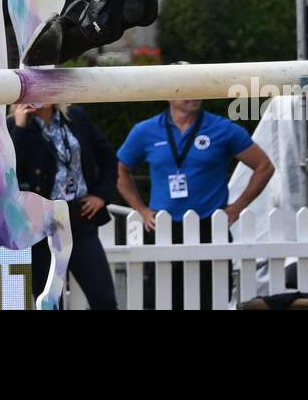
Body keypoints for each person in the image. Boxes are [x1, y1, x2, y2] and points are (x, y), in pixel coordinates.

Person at [117, 93, 274, 309]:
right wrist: (142, 210)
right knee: (165, 299)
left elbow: (264, 166)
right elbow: (121, 172)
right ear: (169, 94)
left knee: (212, 298)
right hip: (164, 227)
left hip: (210, 226)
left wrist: (237, 208)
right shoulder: (145, 131)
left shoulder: (223, 129)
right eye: (185, 90)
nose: (194, 95)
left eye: (199, 88)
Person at [9, 101, 120, 309]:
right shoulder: (15, 126)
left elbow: (108, 158)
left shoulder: (75, 117)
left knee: (104, 299)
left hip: (80, 220)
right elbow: (10, 172)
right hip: (41, 227)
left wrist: (101, 195)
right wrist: (20, 127)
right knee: (50, 302)